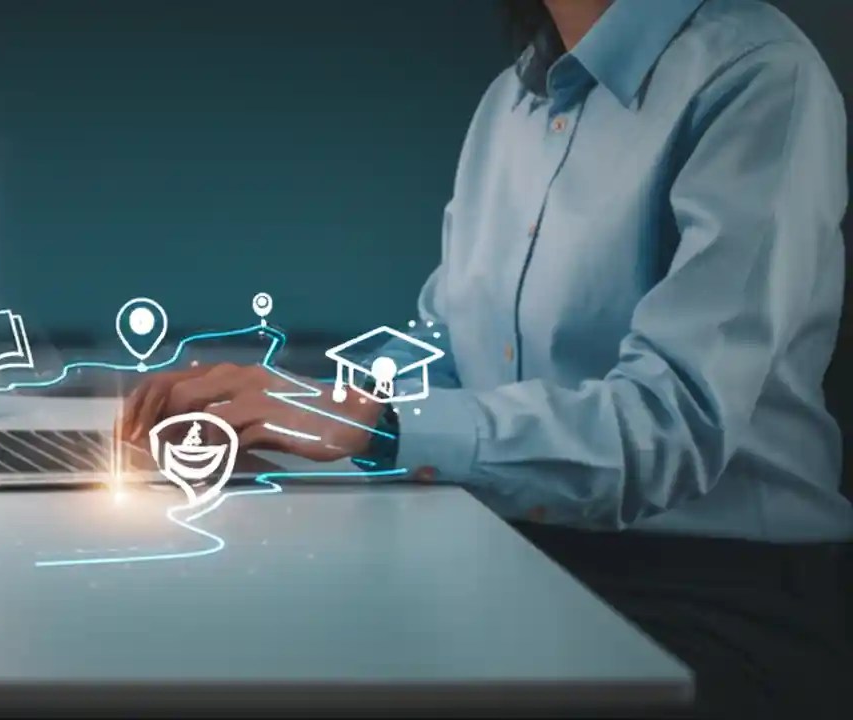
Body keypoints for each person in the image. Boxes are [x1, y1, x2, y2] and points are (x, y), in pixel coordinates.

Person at [118, 0, 852, 717]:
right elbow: (450, 353)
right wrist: (284, 405)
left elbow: (673, 424)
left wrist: (370, 421)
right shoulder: (513, 101)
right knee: (229, 632)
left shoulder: (757, 74)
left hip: (721, 593)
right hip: (523, 551)